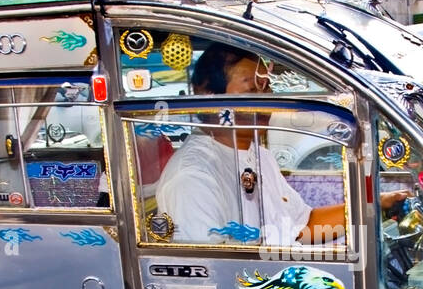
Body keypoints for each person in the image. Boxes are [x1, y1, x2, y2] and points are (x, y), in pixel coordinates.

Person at [156, 45, 405, 244]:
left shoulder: (259, 155)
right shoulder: (193, 177)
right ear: (211, 99)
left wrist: (374, 203)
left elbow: (302, 226)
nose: (267, 100)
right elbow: (213, 274)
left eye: (267, 89)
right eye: (253, 90)